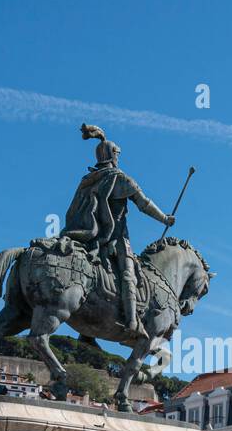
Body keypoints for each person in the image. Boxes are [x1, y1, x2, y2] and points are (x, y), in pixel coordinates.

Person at [61, 124, 176, 338]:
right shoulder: (119, 177)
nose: (118, 158)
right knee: (127, 274)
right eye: (117, 154)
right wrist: (164, 219)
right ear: (113, 155)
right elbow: (144, 204)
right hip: (115, 238)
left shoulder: (88, 180)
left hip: (87, 236)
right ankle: (132, 321)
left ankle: (87, 333)